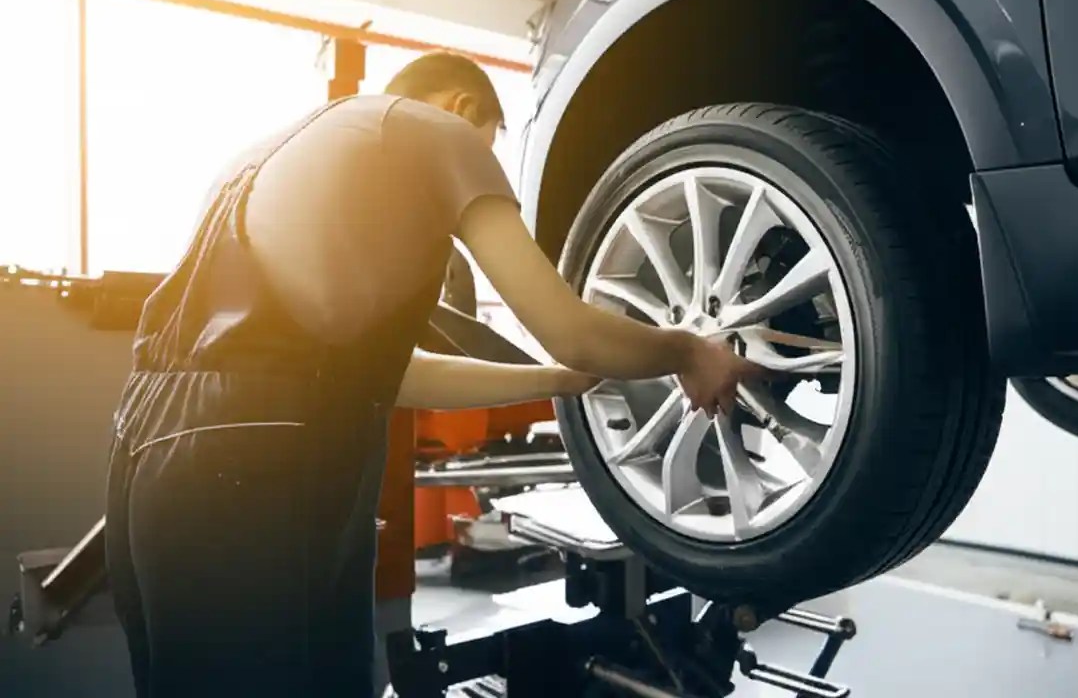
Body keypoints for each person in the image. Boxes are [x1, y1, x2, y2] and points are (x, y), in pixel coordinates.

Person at [104, 51, 762, 698]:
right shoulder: (436, 132)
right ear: (466, 108)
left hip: (151, 451)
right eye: (491, 144)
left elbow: (393, 377)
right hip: (260, 462)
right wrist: (688, 351)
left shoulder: (272, 155)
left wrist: (553, 381)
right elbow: (575, 331)